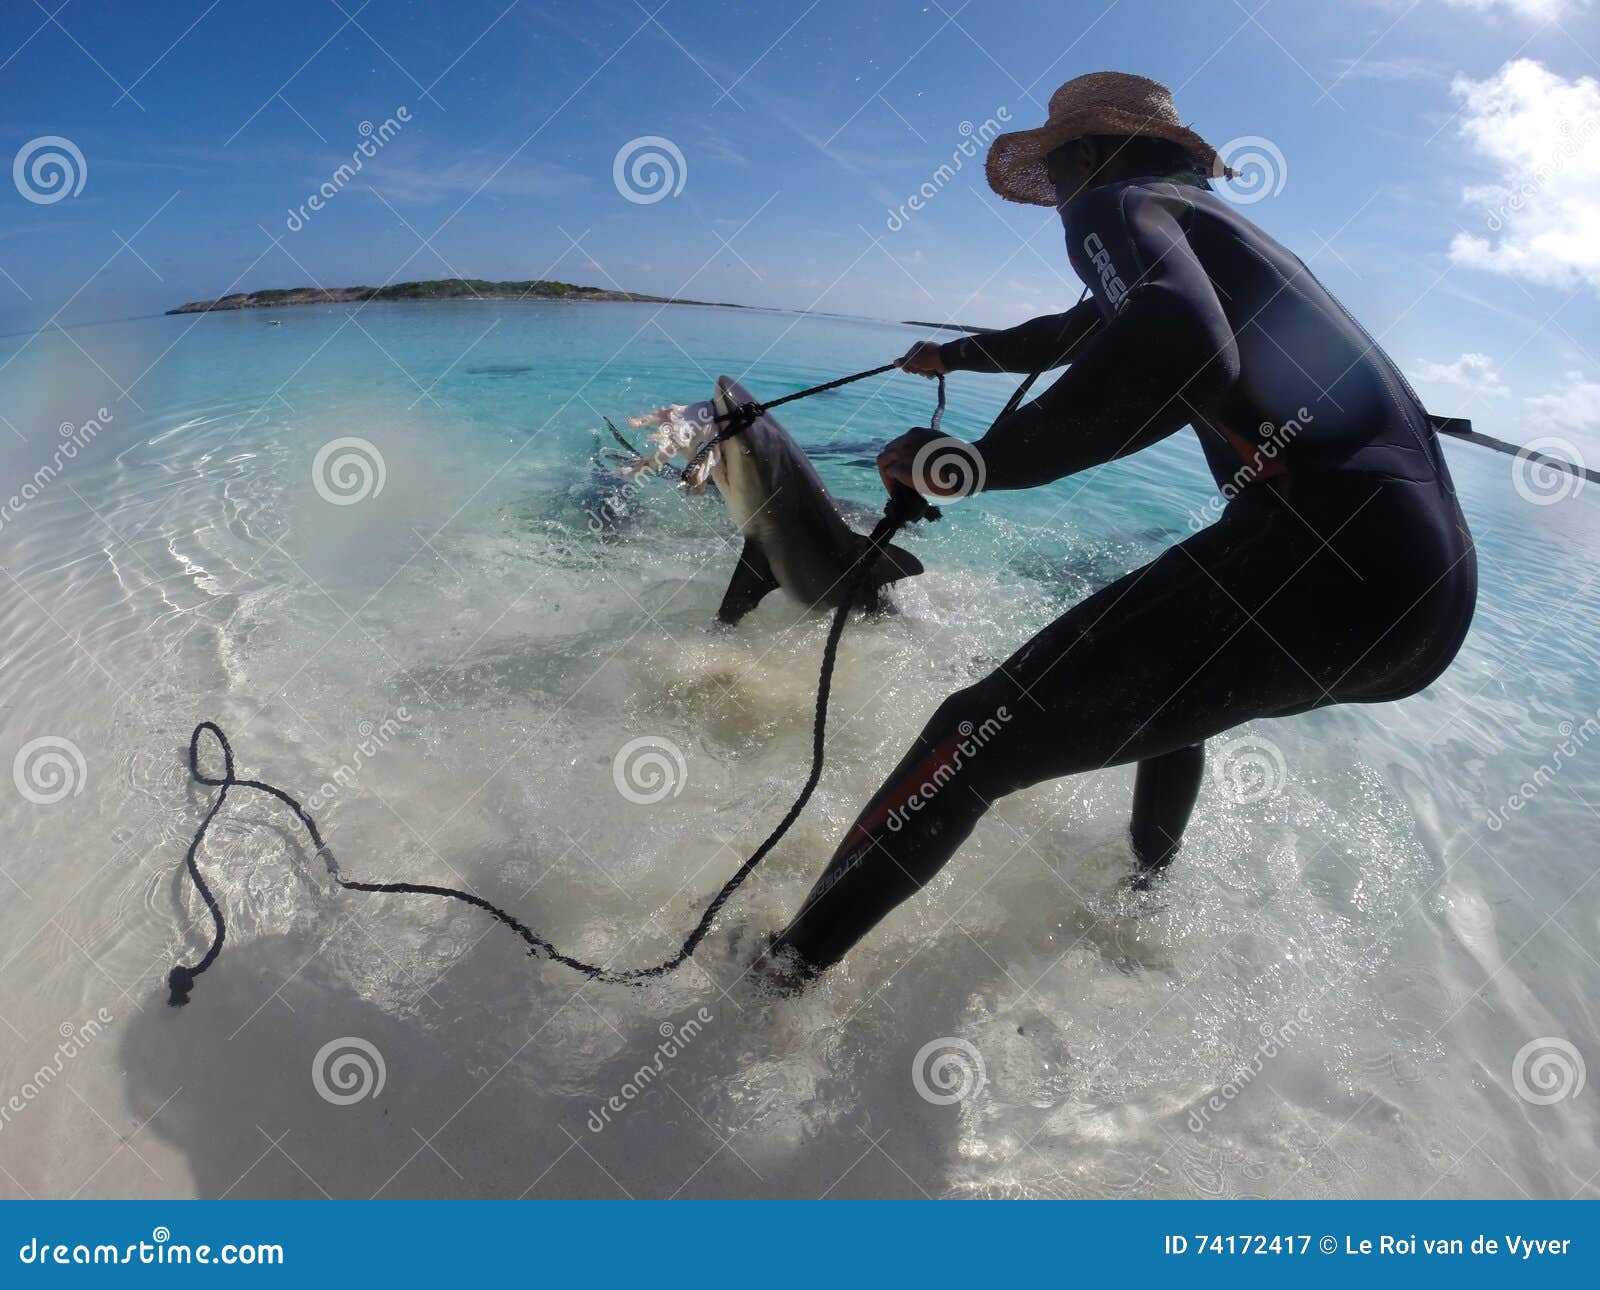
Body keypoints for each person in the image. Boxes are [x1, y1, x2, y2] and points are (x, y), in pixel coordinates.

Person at [764, 71, 1477, 980]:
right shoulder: (1208, 228)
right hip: (1422, 603)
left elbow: (1185, 345)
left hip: (1326, 553)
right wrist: (955, 355)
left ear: (1088, 156)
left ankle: (775, 982)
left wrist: (977, 465)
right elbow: (1084, 329)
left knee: (972, 735)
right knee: (1177, 699)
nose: (1056, 200)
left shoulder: (1114, 202)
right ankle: (1142, 911)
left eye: (1056, 176)